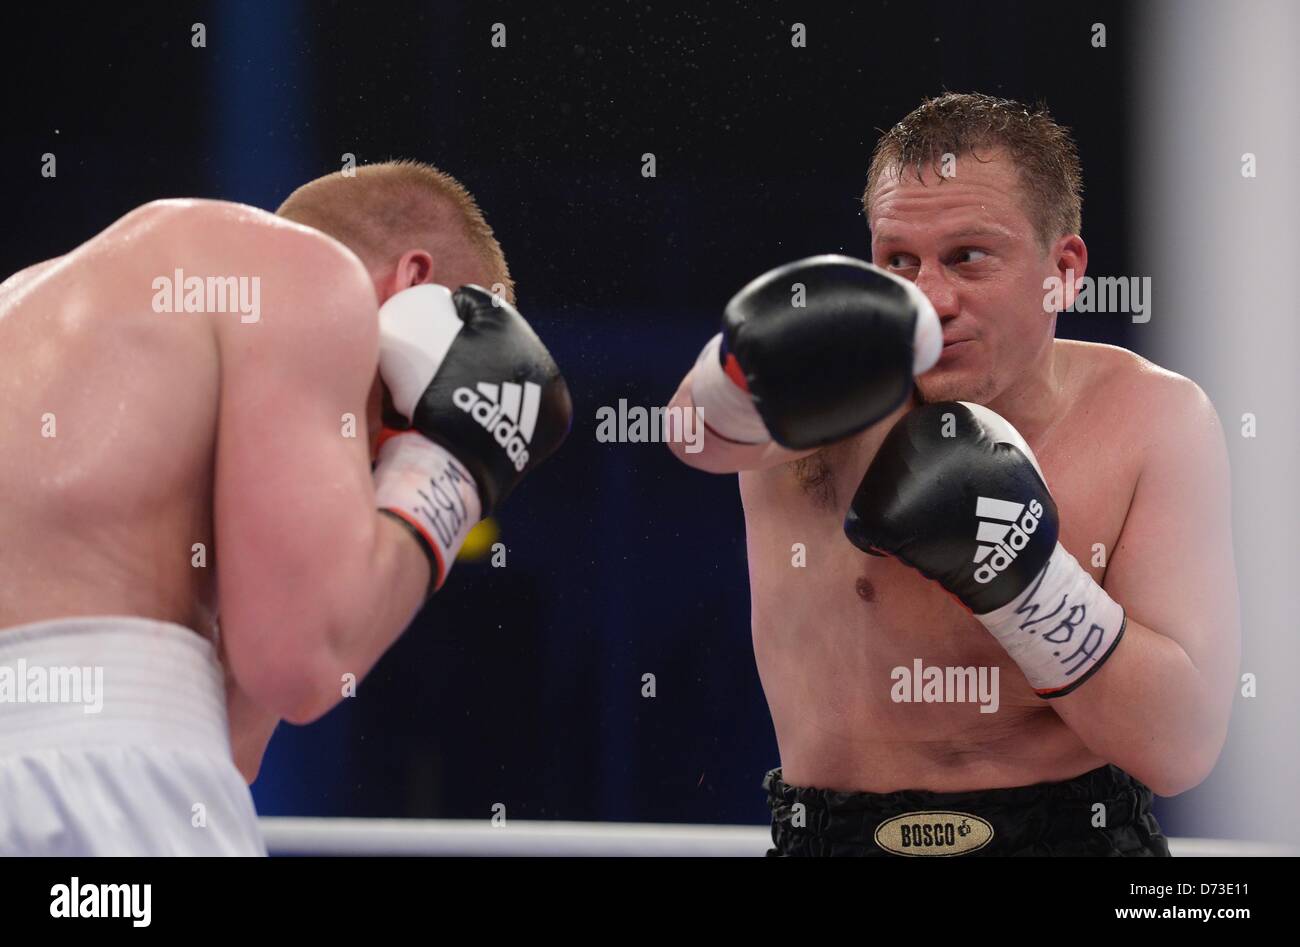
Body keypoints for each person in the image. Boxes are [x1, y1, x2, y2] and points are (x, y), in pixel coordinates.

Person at [666, 93, 1239, 856]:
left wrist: (1028, 585)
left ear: (1063, 271)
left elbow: (1181, 748)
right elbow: (691, 436)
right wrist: (732, 372)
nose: (931, 299)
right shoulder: (835, 392)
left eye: (968, 257)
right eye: (899, 262)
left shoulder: (1153, 418)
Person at [0, 160, 571, 855]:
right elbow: (302, 665)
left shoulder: (50, 303)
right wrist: (451, 463)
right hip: (96, 799)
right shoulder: (308, 273)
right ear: (416, 284)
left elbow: (233, 746)